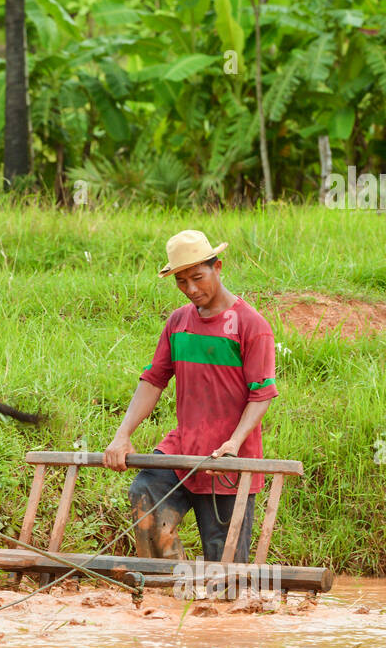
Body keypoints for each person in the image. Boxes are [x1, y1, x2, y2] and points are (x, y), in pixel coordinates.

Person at [103, 229, 278, 563]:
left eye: (198, 278)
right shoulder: (179, 322)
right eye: (181, 282)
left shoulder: (250, 325)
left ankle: (218, 606)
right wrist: (122, 435)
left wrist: (234, 443)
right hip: (182, 450)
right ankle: (171, 591)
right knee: (145, 494)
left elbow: (262, 394)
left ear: (218, 267)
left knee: (225, 571)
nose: (191, 289)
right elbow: (153, 380)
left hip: (227, 461)